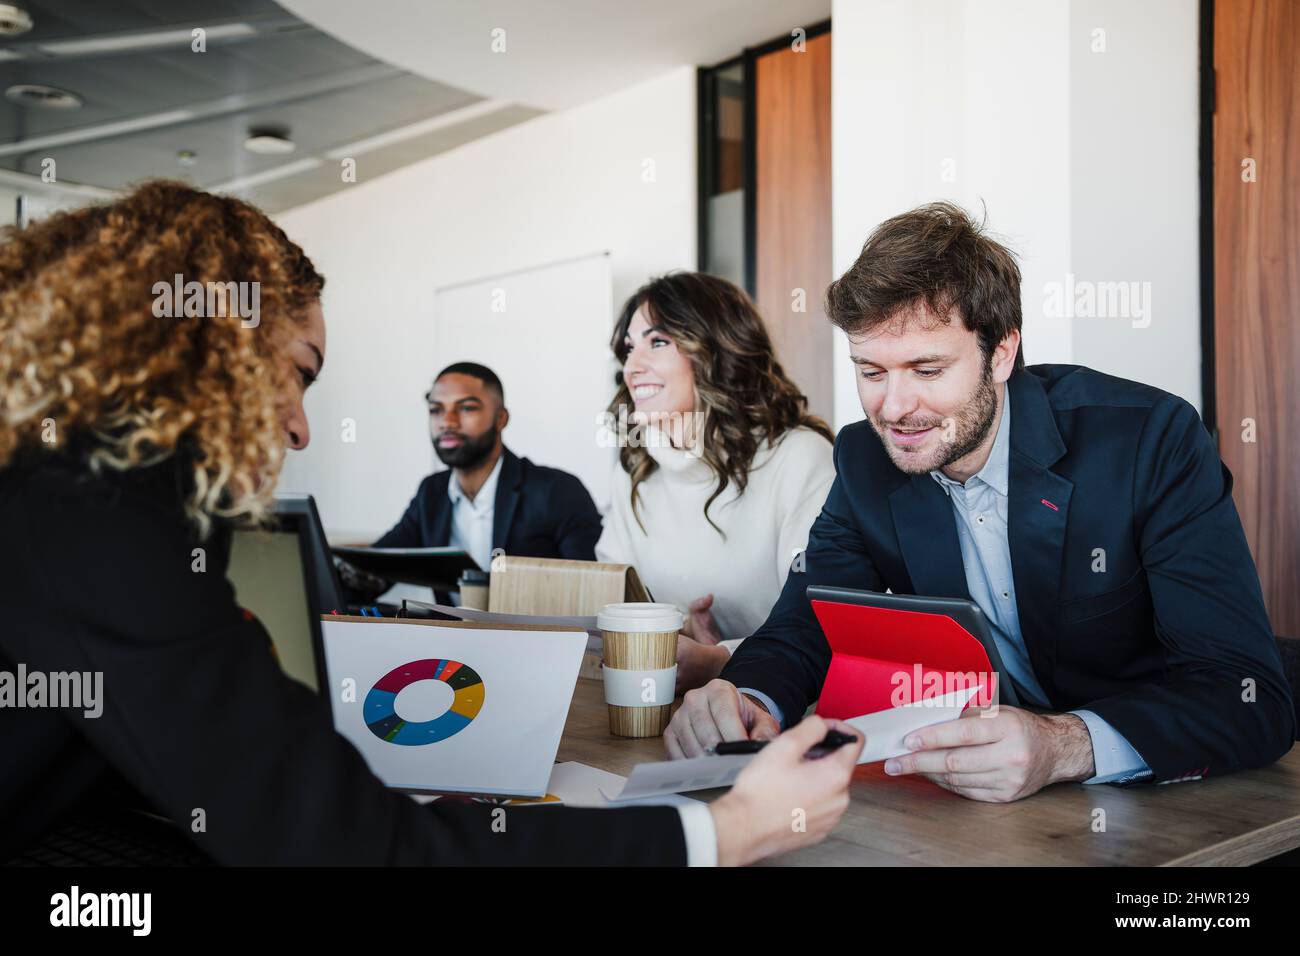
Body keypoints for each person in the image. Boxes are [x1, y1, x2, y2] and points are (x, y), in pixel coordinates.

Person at [0, 180, 863, 865]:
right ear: (212, 345)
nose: (301, 426)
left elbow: (819, 622)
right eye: (299, 373)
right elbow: (345, 844)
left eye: (658, 342)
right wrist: (725, 833)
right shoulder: (98, 516)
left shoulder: (64, 489)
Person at [665, 201, 1295, 800]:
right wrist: (747, 697)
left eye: (927, 371)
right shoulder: (865, 459)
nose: (895, 408)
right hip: (979, 808)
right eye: (872, 371)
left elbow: (1249, 696)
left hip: (1174, 805)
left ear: (1001, 353)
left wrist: (1064, 744)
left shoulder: (1149, 442)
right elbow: (808, 621)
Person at [595, 273, 834, 693]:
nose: (632, 368)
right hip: (665, 700)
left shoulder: (799, 456)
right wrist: (672, 636)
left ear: (717, 348)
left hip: (783, 702)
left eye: (658, 341)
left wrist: (723, 657)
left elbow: (822, 621)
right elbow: (610, 599)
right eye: (630, 348)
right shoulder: (634, 468)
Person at [371, 362, 602, 570]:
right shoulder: (432, 492)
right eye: (436, 410)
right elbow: (375, 567)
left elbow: (591, 591)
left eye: (467, 408)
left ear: (501, 419)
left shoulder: (557, 491)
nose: (447, 422)